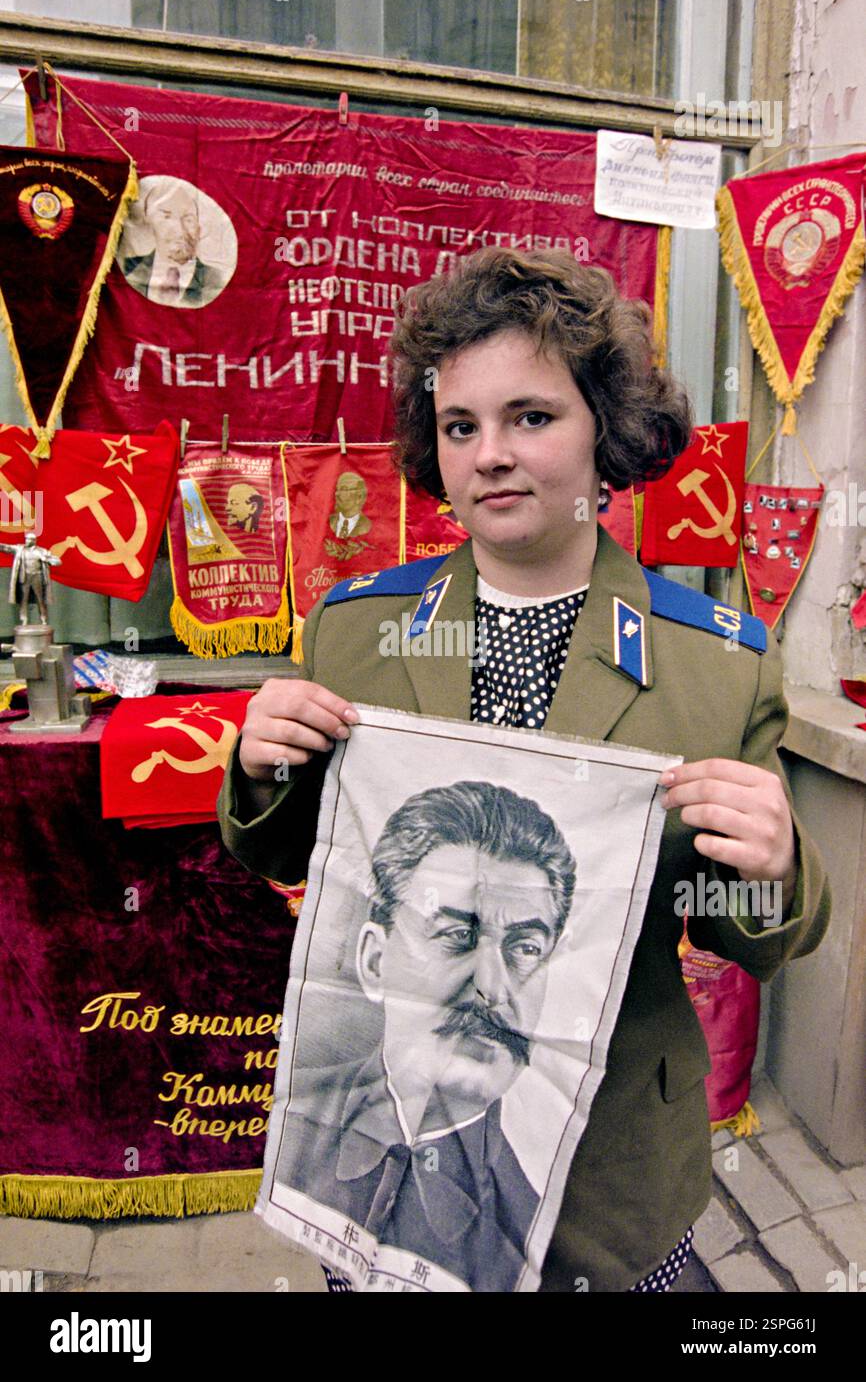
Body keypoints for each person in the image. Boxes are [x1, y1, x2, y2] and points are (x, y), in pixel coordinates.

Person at [218, 247, 831, 1293]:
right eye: (461, 427)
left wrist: (769, 865)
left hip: (611, 1169)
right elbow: (294, 852)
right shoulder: (355, 633)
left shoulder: (715, 661)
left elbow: (738, 929)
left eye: (531, 417)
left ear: (605, 430)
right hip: (392, 1154)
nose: (491, 454)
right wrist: (260, 769)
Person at [271, 778, 575, 1291]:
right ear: (374, 960)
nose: (492, 988)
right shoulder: (300, 1126)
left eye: (525, 947)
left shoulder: (544, 1209)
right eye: (458, 935)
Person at [122, 180, 226, 308]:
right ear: (150, 224)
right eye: (167, 217)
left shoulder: (217, 280)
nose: (179, 229)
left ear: (199, 230)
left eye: (188, 219)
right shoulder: (126, 269)